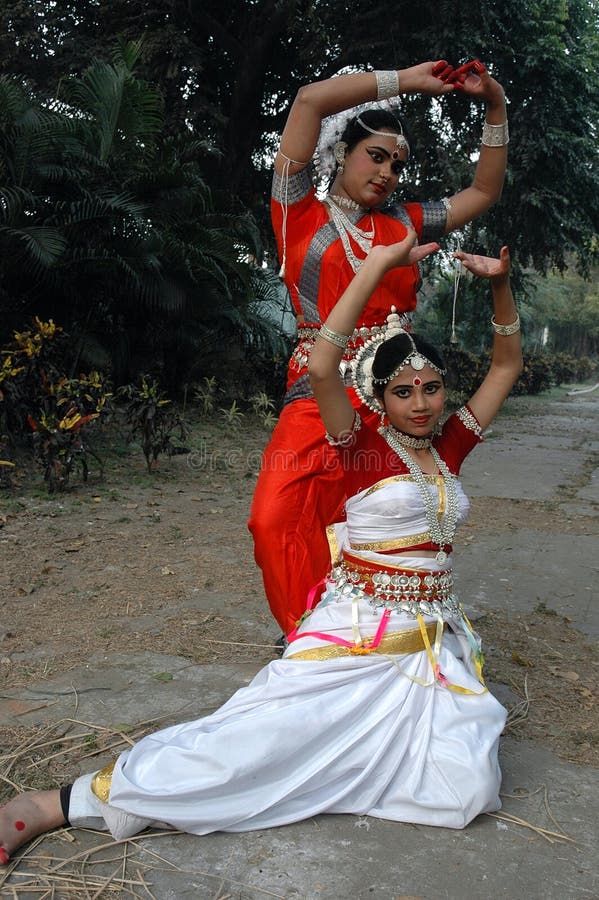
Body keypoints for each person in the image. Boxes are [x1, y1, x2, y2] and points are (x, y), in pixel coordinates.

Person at [0, 231, 522, 861]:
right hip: (357, 636)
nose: (420, 403)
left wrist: (498, 282)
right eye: (402, 391)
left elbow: (505, 366)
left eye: (431, 388)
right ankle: (60, 802)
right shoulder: (359, 447)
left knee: (465, 788)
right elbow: (323, 363)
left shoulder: (449, 448)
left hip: (428, 655)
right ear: (380, 399)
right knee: (260, 744)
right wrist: (380, 262)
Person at [248, 58, 509, 633]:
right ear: (342, 151)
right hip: (318, 390)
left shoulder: (404, 224)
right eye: (376, 155)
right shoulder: (297, 214)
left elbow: (484, 190)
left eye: (398, 162)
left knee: (369, 519)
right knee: (274, 519)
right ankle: (308, 637)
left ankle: (368, 630)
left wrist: (495, 103)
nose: (389, 171)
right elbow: (310, 101)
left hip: (393, 396)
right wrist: (408, 82)